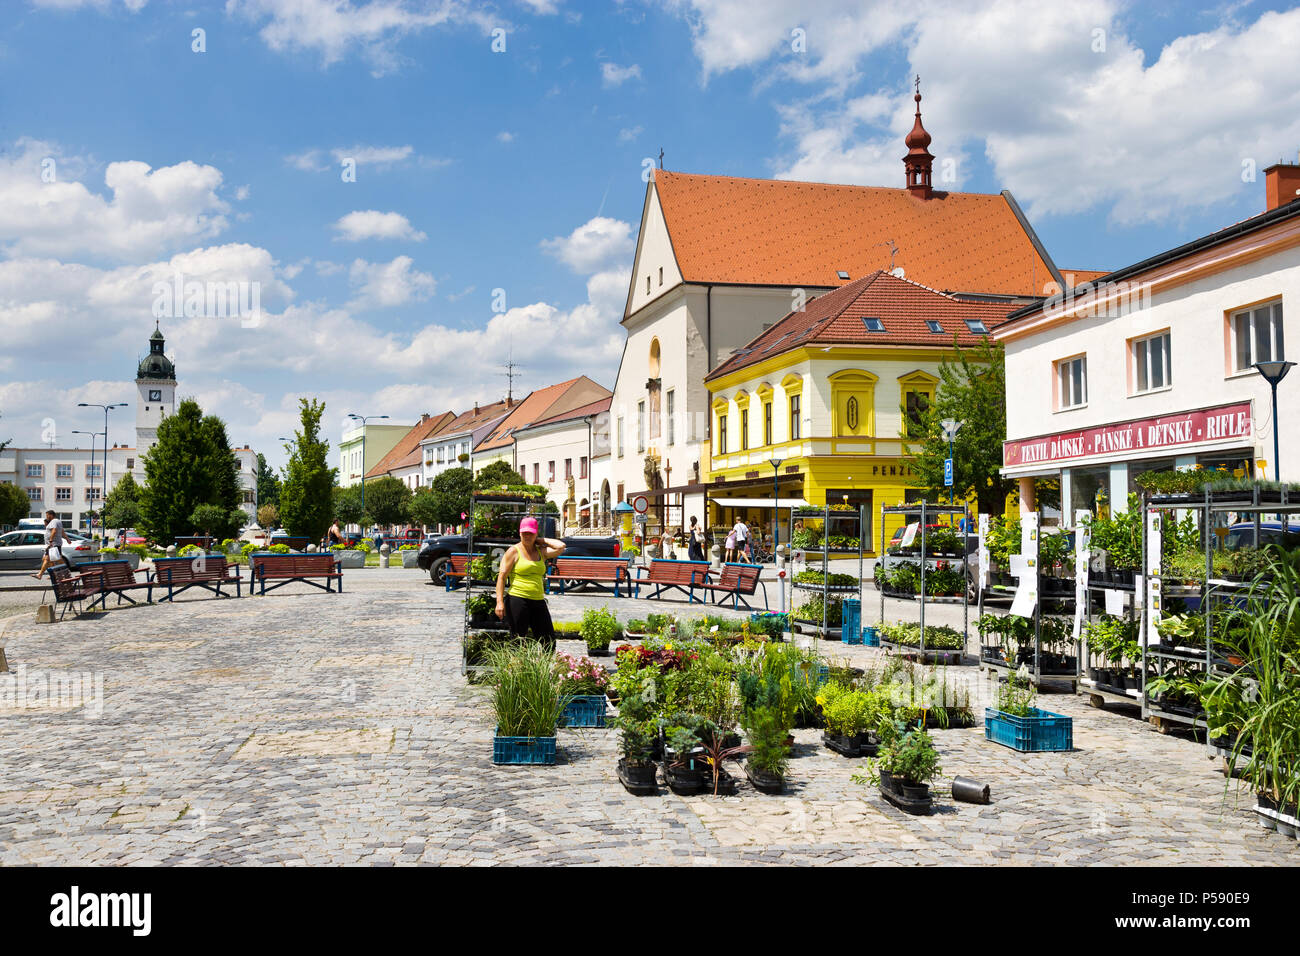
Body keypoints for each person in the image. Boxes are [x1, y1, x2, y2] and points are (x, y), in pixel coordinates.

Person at [495, 517, 566, 640]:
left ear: (536, 533)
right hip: (517, 599)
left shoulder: (541, 551)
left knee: (548, 640)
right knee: (518, 640)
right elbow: (501, 577)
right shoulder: (513, 551)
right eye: (524, 533)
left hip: (538, 600)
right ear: (520, 533)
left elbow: (561, 547)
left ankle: (543, 660)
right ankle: (516, 660)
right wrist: (499, 602)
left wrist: (540, 540)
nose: (527, 536)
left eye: (531, 533)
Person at [34, 509, 70, 580]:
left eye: (47, 515)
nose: (46, 517)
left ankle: (41, 574)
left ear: (51, 515)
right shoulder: (57, 521)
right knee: (50, 559)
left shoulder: (54, 521)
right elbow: (62, 531)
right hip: (53, 544)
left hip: (53, 544)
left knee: (52, 559)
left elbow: (54, 530)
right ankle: (53, 574)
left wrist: (51, 539)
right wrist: (67, 539)